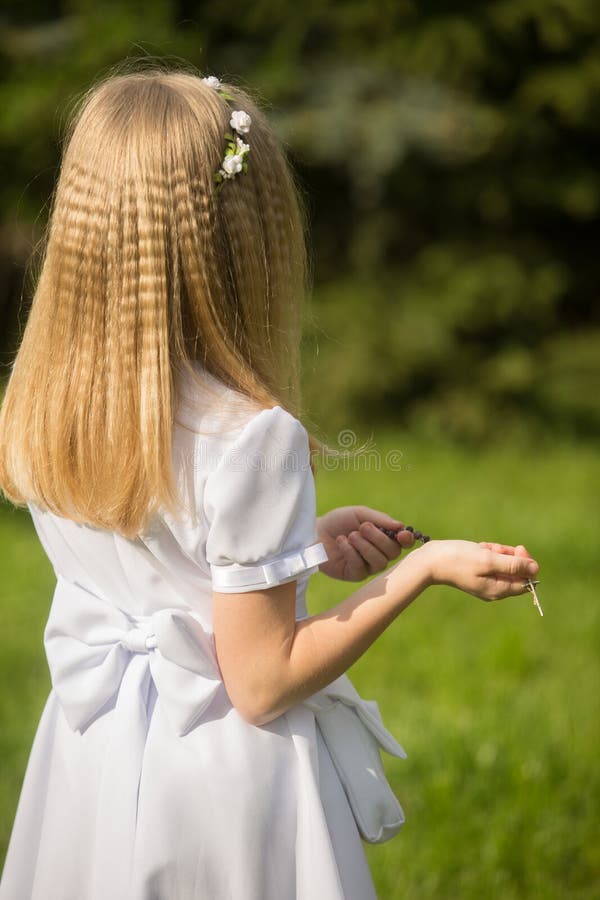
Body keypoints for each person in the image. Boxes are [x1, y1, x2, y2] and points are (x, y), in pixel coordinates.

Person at [0, 63, 539, 900]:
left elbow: (158, 566)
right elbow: (260, 683)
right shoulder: (250, 436)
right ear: (244, 241)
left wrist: (300, 554)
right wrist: (419, 572)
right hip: (218, 792)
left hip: (92, 760)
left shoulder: (40, 403)